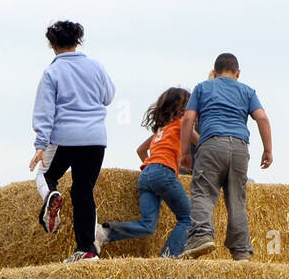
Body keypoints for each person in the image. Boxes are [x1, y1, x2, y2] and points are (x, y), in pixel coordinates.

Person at [29, 20, 115, 263]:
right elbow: (108, 96)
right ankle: (87, 249)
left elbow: (45, 111)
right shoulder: (95, 67)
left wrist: (40, 145)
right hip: (96, 139)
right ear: (78, 42)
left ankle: (51, 197)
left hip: (66, 137)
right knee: (83, 190)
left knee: (44, 174)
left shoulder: (52, 72)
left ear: (52, 44)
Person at [178, 53, 273, 260]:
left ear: (214, 71)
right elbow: (262, 118)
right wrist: (268, 150)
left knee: (203, 192)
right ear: (238, 73)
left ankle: (202, 235)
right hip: (240, 148)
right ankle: (241, 251)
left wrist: (185, 152)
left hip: (211, 143)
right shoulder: (247, 91)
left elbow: (188, 119)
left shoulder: (203, 87)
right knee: (237, 199)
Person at [94, 87, 197, 258]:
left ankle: (104, 232)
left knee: (148, 226)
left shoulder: (160, 130)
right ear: (182, 108)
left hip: (146, 174)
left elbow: (141, 151)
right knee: (189, 218)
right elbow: (198, 140)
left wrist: (154, 168)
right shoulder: (181, 122)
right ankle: (167, 259)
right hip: (163, 173)